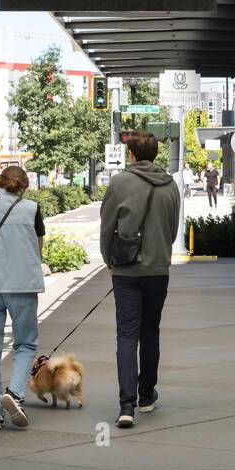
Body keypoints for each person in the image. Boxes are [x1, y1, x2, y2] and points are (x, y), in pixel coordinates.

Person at [100, 130, 182, 429]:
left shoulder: (120, 183)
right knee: (151, 333)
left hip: (126, 270)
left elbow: (107, 225)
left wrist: (109, 259)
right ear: (155, 153)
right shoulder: (170, 185)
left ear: (131, 155)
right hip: (158, 269)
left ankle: (126, 406)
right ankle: (147, 394)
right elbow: (173, 230)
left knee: (126, 335)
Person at [0, 166, 46, 431]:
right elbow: (38, 248)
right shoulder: (32, 209)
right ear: (24, 185)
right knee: (25, 344)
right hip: (22, 286)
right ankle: (14, 394)